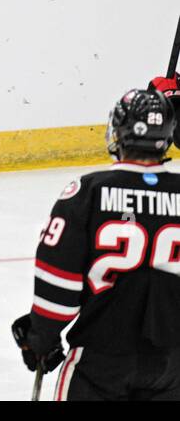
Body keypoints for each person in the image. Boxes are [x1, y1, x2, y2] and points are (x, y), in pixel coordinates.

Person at [11, 85, 179, 400]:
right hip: (172, 365)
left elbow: (58, 280)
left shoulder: (87, 192)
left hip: (100, 361)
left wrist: (40, 336)